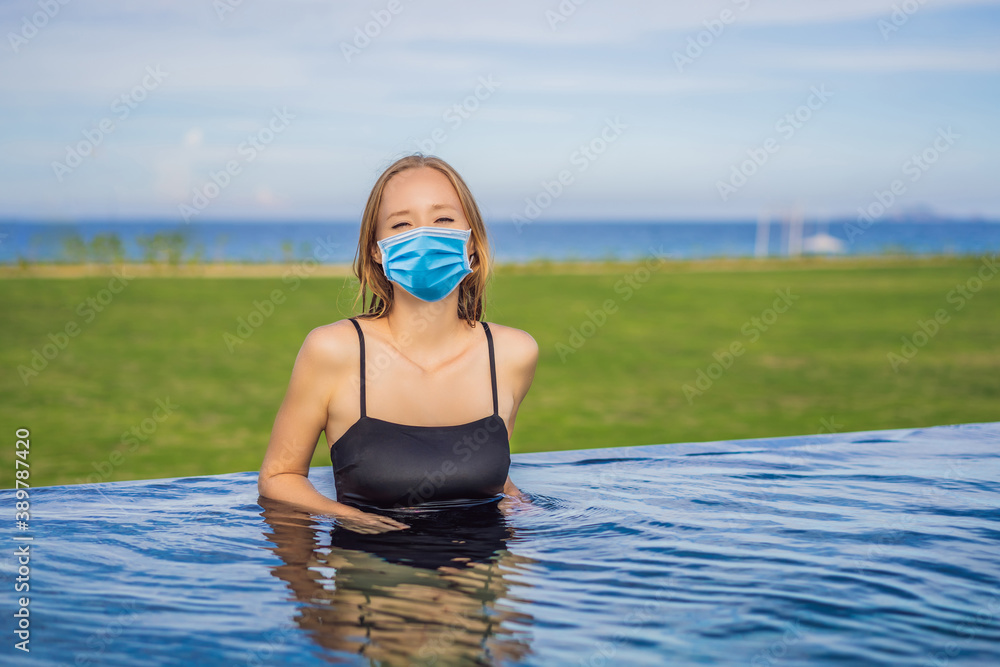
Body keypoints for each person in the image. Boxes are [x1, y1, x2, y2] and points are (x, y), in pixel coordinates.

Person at [258, 155, 538, 535]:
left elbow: (491, 481)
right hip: (374, 583)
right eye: (402, 224)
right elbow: (280, 476)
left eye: (443, 219)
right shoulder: (333, 350)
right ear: (376, 250)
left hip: (476, 586)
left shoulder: (512, 354)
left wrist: (525, 510)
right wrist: (354, 520)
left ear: (472, 241)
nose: (424, 236)